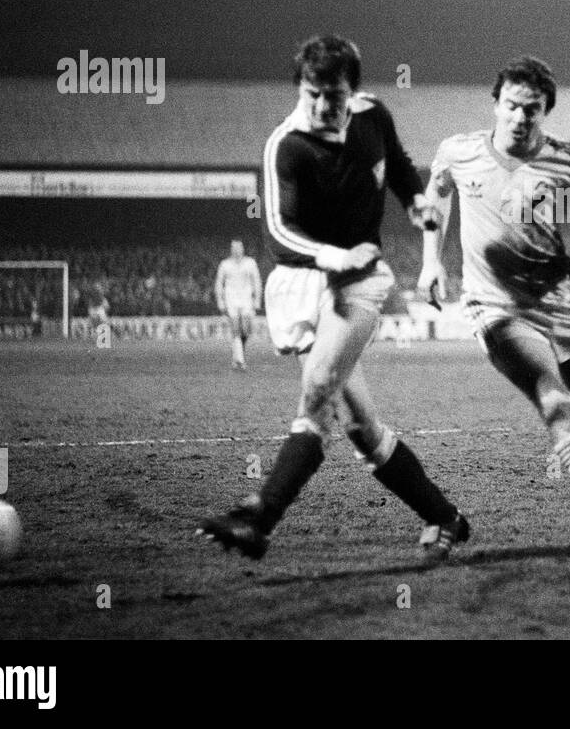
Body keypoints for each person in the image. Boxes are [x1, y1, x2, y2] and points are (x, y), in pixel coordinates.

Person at [198, 35, 469, 563]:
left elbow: (396, 161)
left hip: (361, 280)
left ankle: (260, 517)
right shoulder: (286, 144)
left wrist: (415, 202)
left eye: (335, 95)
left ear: (354, 93)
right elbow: (278, 230)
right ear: (301, 88)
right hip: (303, 281)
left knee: (318, 387)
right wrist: (328, 255)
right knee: (362, 428)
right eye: (312, 92)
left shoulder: (373, 117)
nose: (324, 106)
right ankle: (446, 518)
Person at [417, 55, 570, 550]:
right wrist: (431, 263)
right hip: (493, 303)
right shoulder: (459, 153)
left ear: (546, 112)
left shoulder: (563, 160)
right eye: (512, 106)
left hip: (560, 298)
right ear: (496, 104)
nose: (520, 117)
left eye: (533, 109)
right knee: (554, 396)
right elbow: (436, 197)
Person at [214, 239, 262, 370]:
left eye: (239, 247)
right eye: (234, 248)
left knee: (245, 330)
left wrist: (257, 299)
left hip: (246, 299)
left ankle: (238, 354)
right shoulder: (225, 264)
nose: (236, 250)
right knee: (235, 327)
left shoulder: (250, 263)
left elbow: (256, 281)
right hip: (231, 299)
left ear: (243, 249)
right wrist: (220, 301)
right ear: (231, 249)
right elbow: (219, 283)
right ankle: (240, 360)